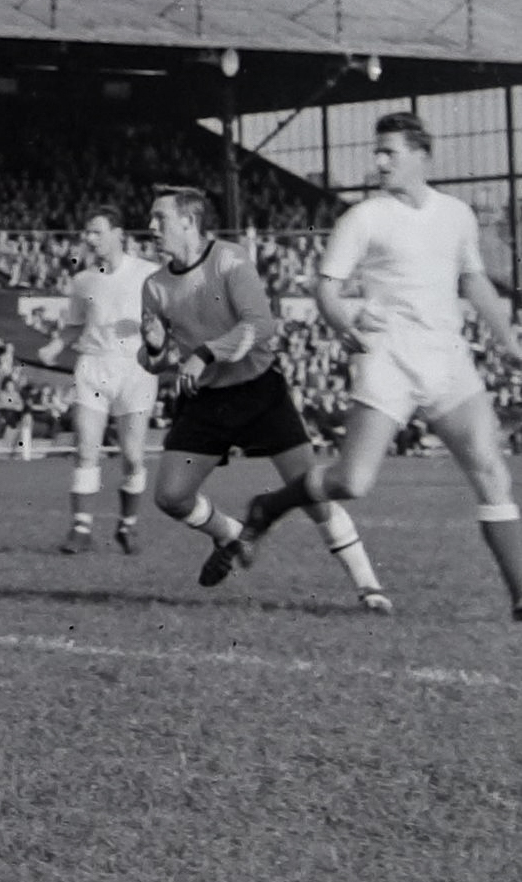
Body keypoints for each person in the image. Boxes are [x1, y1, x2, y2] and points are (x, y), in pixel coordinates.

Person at [241, 113, 522, 616]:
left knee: (490, 468)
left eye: (389, 151)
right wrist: (343, 328)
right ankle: (268, 507)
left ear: (421, 155)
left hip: (448, 360)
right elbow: (326, 287)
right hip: (388, 358)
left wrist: (509, 340)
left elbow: (475, 281)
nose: (379, 161)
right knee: (353, 482)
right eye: (378, 151)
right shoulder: (364, 217)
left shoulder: (457, 214)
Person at [137, 186, 389, 611]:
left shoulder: (230, 259)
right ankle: (232, 534)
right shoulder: (154, 286)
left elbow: (262, 325)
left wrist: (202, 353)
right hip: (208, 400)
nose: (150, 227)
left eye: (158, 218)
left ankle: (369, 588)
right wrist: (158, 349)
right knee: (171, 497)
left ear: (188, 221)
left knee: (311, 494)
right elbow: (153, 362)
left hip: (259, 391)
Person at [37, 206, 159, 555]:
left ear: (118, 233)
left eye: (96, 231)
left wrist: (154, 332)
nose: (89, 238)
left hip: (134, 367)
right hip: (93, 364)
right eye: (87, 233)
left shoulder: (148, 274)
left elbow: (167, 318)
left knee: (133, 456)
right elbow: (76, 323)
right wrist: (56, 345)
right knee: (85, 448)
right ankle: (81, 528)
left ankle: (128, 525)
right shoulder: (83, 280)